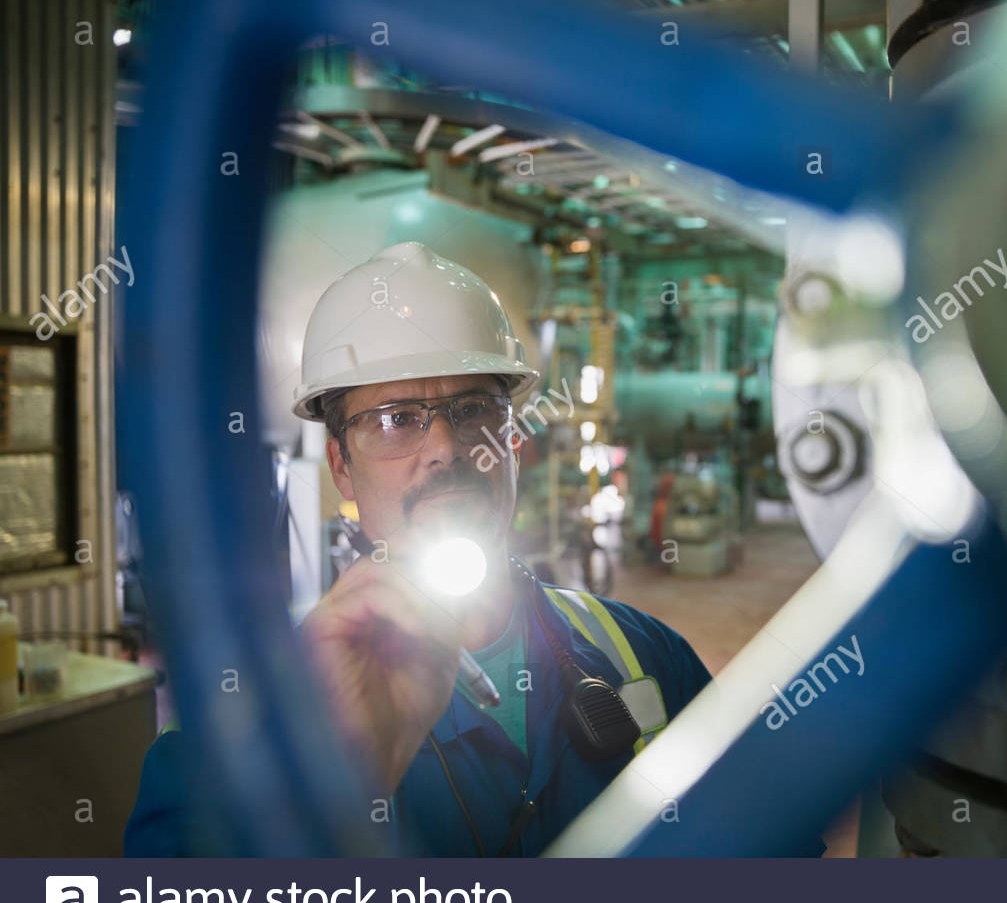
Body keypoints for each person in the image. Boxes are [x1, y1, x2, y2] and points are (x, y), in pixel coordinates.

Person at [124, 242, 824, 857]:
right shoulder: (240, 725)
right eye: (396, 420)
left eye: (472, 410)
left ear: (512, 442)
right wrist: (329, 786)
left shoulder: (643, 656)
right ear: (341, 466)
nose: (445, 449)